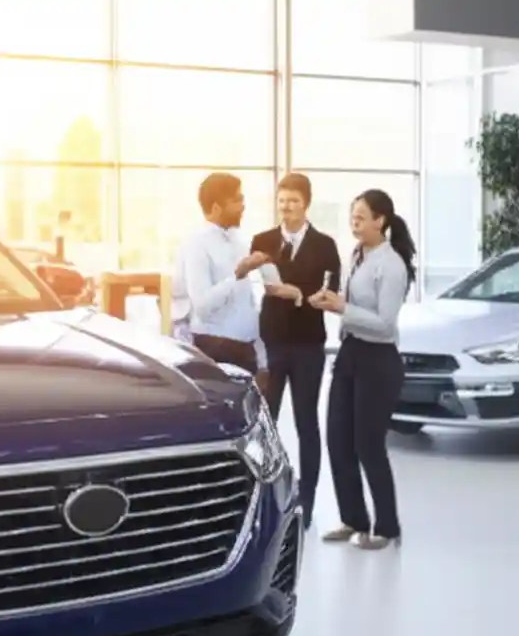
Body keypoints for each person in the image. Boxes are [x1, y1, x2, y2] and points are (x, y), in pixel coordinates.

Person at [309, 188, 415, 550]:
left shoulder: (393, 264)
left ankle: (386, 527)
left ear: (379, 221)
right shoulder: (357, 255)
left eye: (360, 217)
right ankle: (353, 518)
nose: (353, 222)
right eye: (352, 216)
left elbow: (385, 324)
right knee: (338, 438)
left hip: (379, 360)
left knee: (368, 444)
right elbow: (348, 303)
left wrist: (342, 308)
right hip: (351, 352)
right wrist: (330, 301)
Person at [249, 173, 341, 532]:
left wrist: (297, 293)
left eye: (293, 201)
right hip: (272, 342)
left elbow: (330, 290)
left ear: (307, 204)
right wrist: (295, 291)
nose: (286, 207)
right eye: (282, 200)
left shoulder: (325, 244)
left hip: (308, 345)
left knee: (306, 422)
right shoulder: (262, 241)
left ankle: (308, 500)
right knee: (266, 422)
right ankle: (265, 498)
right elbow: (260, 285)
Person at [171, 172, 269, 383]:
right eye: (236, 200)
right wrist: (237, 275)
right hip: (215, 348)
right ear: (216, 207)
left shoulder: (240, 241)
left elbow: (248, 302)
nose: (243, 205)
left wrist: (261, 358)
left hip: (246, 349)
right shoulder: (196, 244)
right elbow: (203, 305)